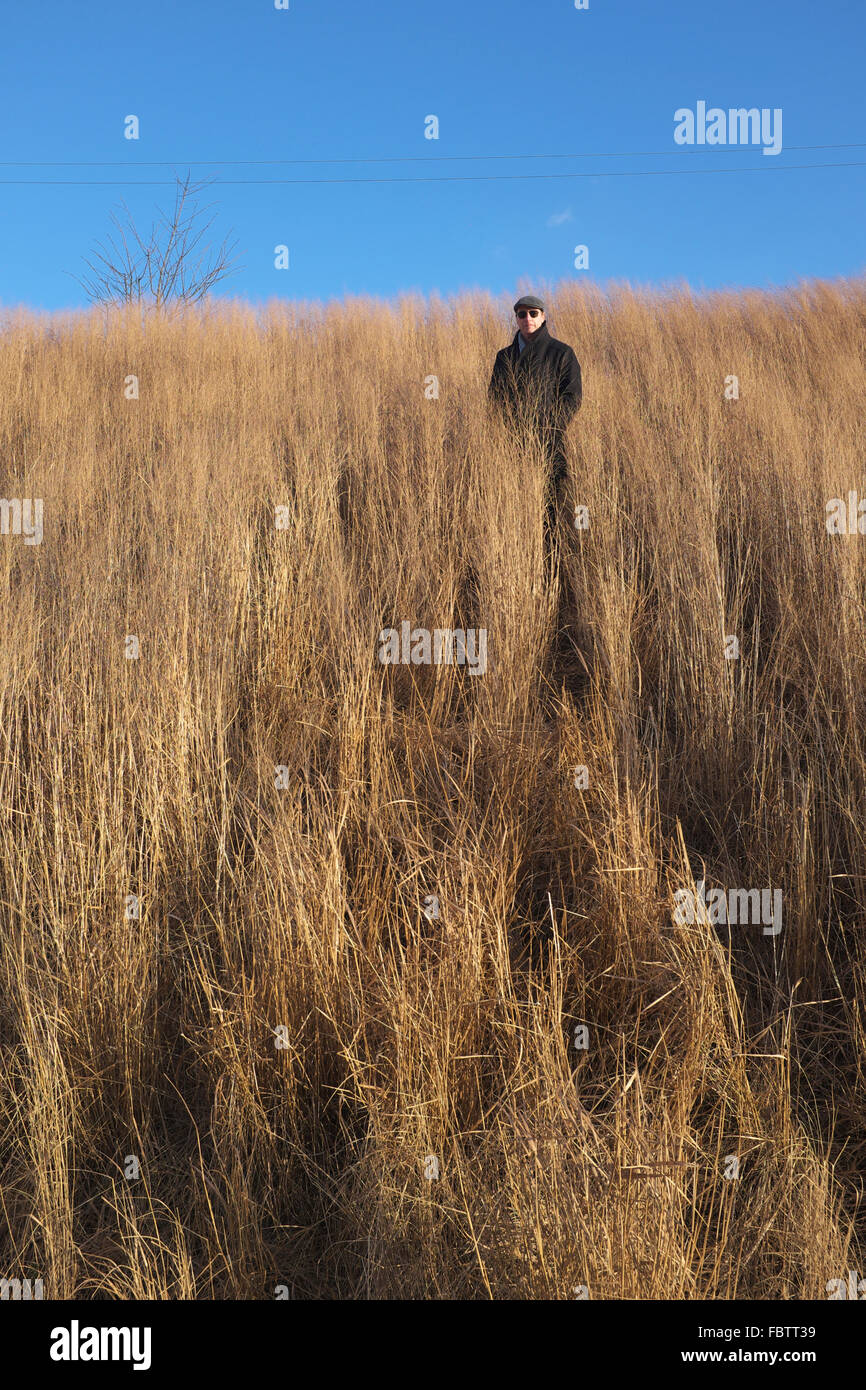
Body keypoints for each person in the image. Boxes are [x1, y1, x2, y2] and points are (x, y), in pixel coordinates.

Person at [487, 295, 582, 543]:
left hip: (549, 446)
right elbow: (495, 402)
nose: (527, 318)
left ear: (543, 317)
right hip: (512, 449)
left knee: (553, 514)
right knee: (517, 512)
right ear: (516, 319)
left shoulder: (561, 353)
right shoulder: (504, 357)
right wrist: (502, 435)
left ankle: (555, 569)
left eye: (533, 313)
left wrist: (548, 428)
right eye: (521, 314)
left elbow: (572, 398)